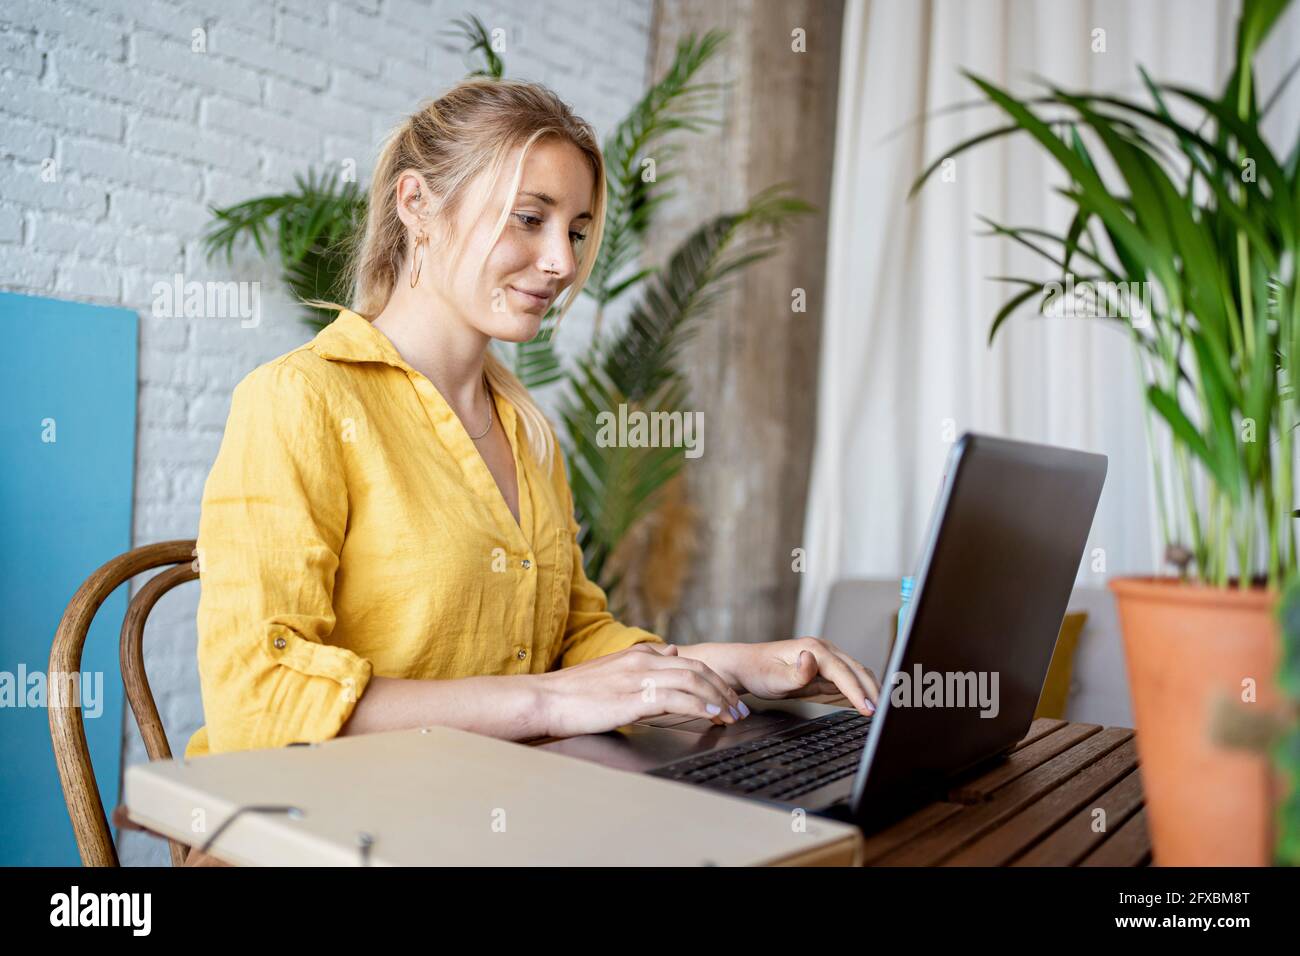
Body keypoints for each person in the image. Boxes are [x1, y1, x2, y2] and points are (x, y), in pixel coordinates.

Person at [185, 77, 879, 771]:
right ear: (417, 204)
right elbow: (261, 699)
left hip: (487, 800)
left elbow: (575, 641)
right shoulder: (299, 400)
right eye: (529, 218)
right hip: (318, 821)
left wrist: (741, 663)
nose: (564, 263)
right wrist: (547, 702)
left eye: (576, 231)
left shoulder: (526, 433)